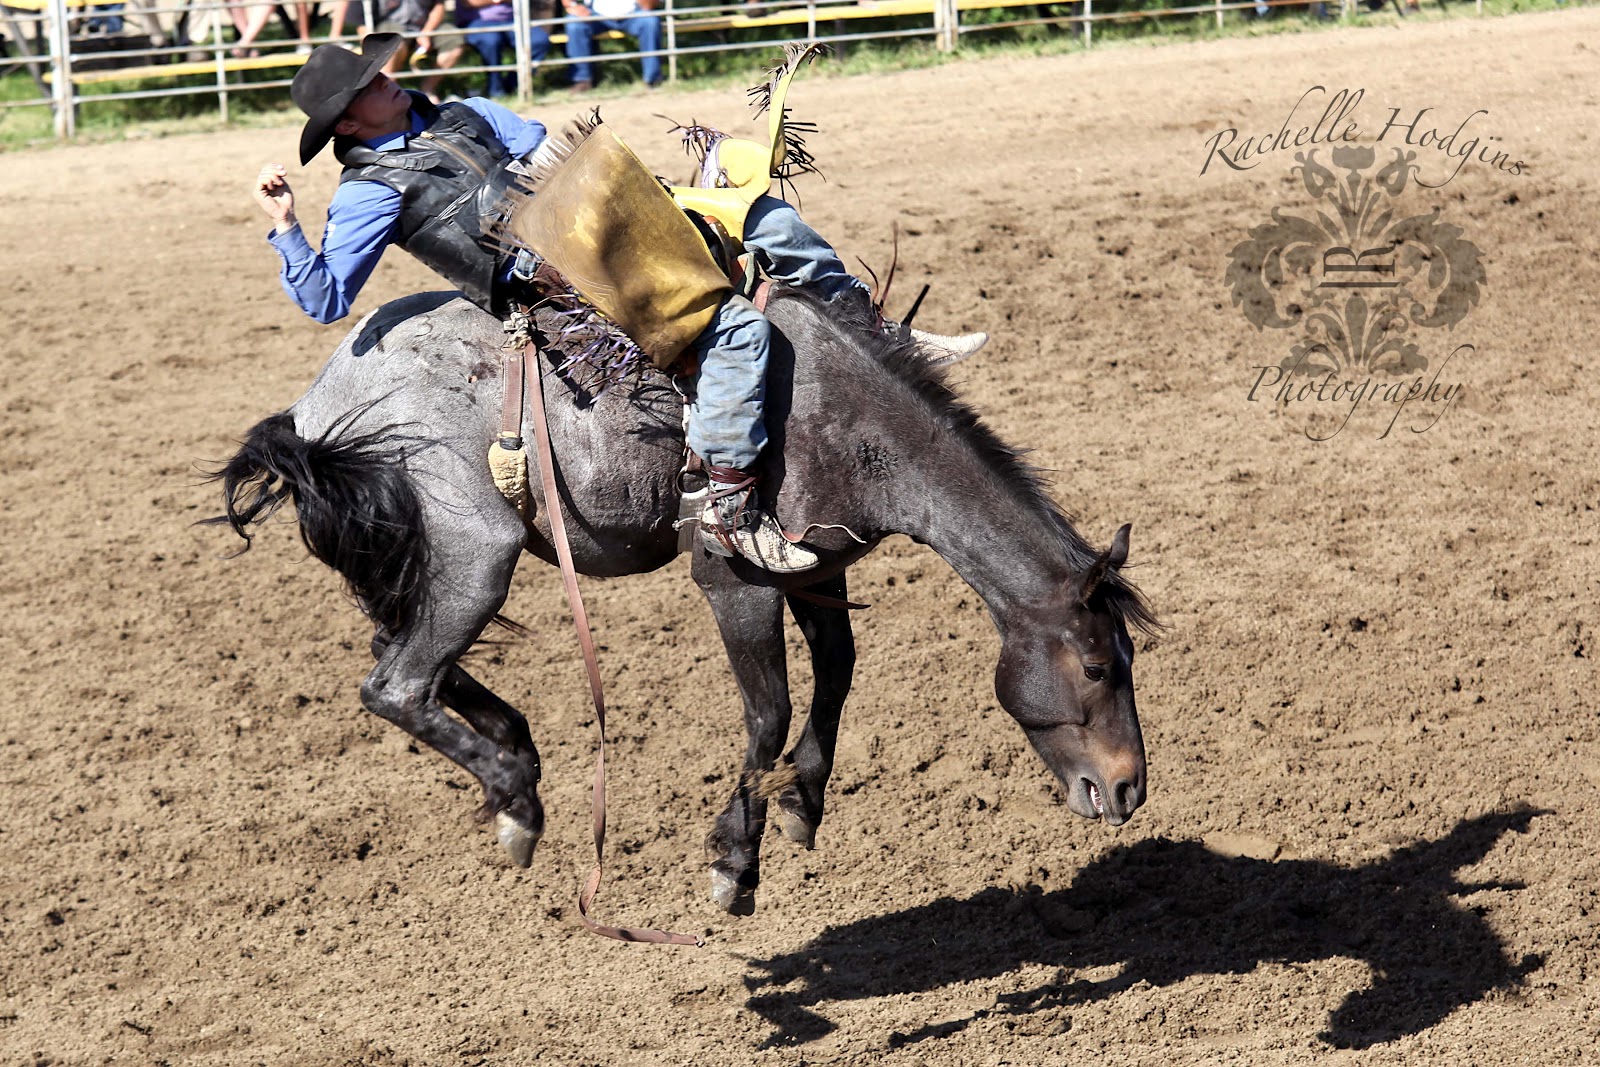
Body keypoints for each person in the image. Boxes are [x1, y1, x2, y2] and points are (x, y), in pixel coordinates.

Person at [252, 37, 984, 572]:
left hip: (600, 225)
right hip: (556, 288)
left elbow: (542, 154)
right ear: (347, 123)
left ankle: (875, 332)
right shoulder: (367, 194)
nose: (389, 79)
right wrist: (286, 225)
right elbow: (325, 296)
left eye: (379, 71)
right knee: (736, 335)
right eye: (372, 84)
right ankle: (728, 506)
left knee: (763, 216)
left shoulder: (463, 111)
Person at [561, 0, 662, 91]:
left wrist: (647, 3)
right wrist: (573, 5)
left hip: (633, 14)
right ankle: (581, 81)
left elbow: (651, 5)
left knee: (650, 22)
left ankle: (652, 79)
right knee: (574, 25)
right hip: (594, 14)